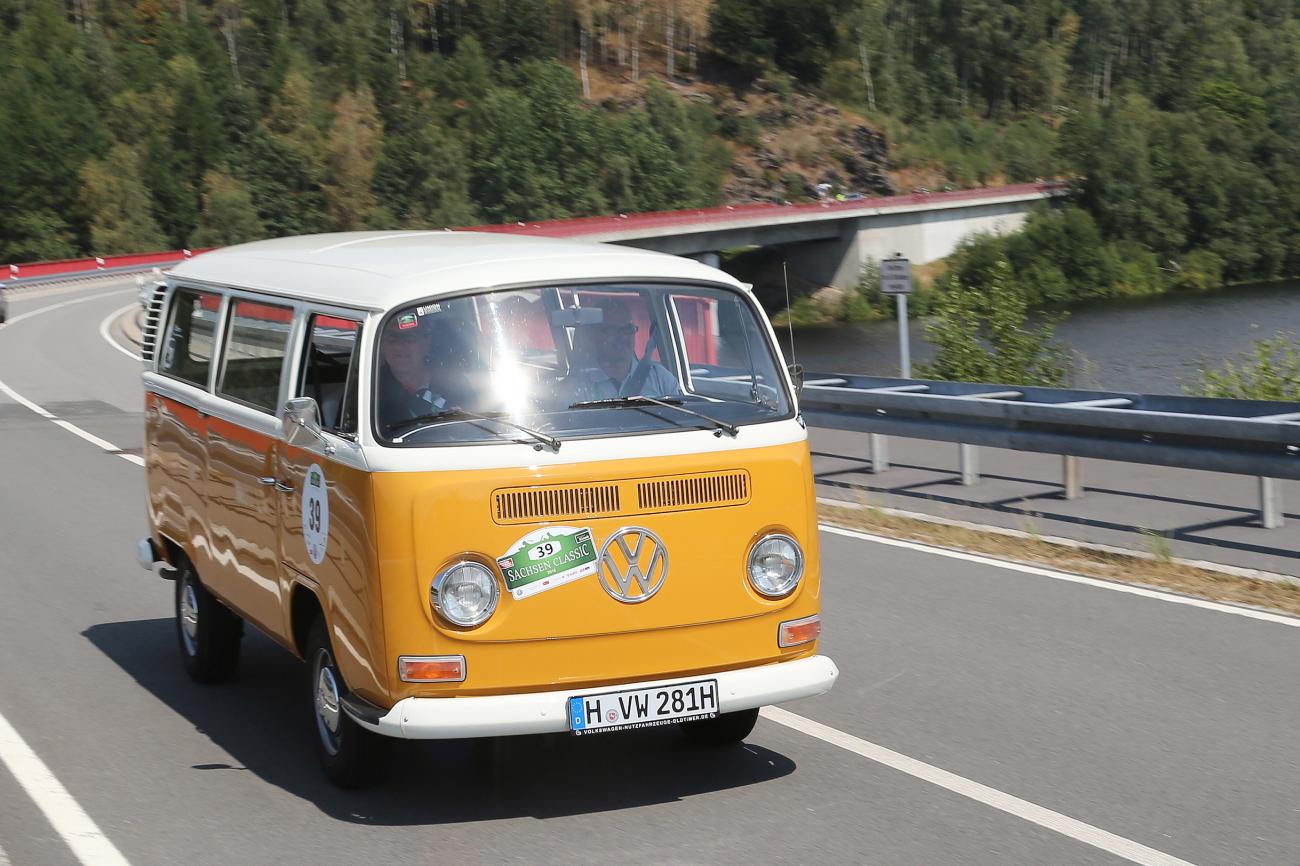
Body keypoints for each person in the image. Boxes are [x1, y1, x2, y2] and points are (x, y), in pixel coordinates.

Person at [563, 296, 680, 403]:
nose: (622, 337)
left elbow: (680, 419)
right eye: (612, 330)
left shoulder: (660, 378)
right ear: (593, 334)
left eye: (628, 329)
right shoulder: (577, 387)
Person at [376, 312, 462, 428]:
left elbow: (479, 424)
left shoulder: (454, 382)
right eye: (392, 338)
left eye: (409, 337)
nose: (399, 345)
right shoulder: (371, 390)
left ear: (427, 341)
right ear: (381, 344)